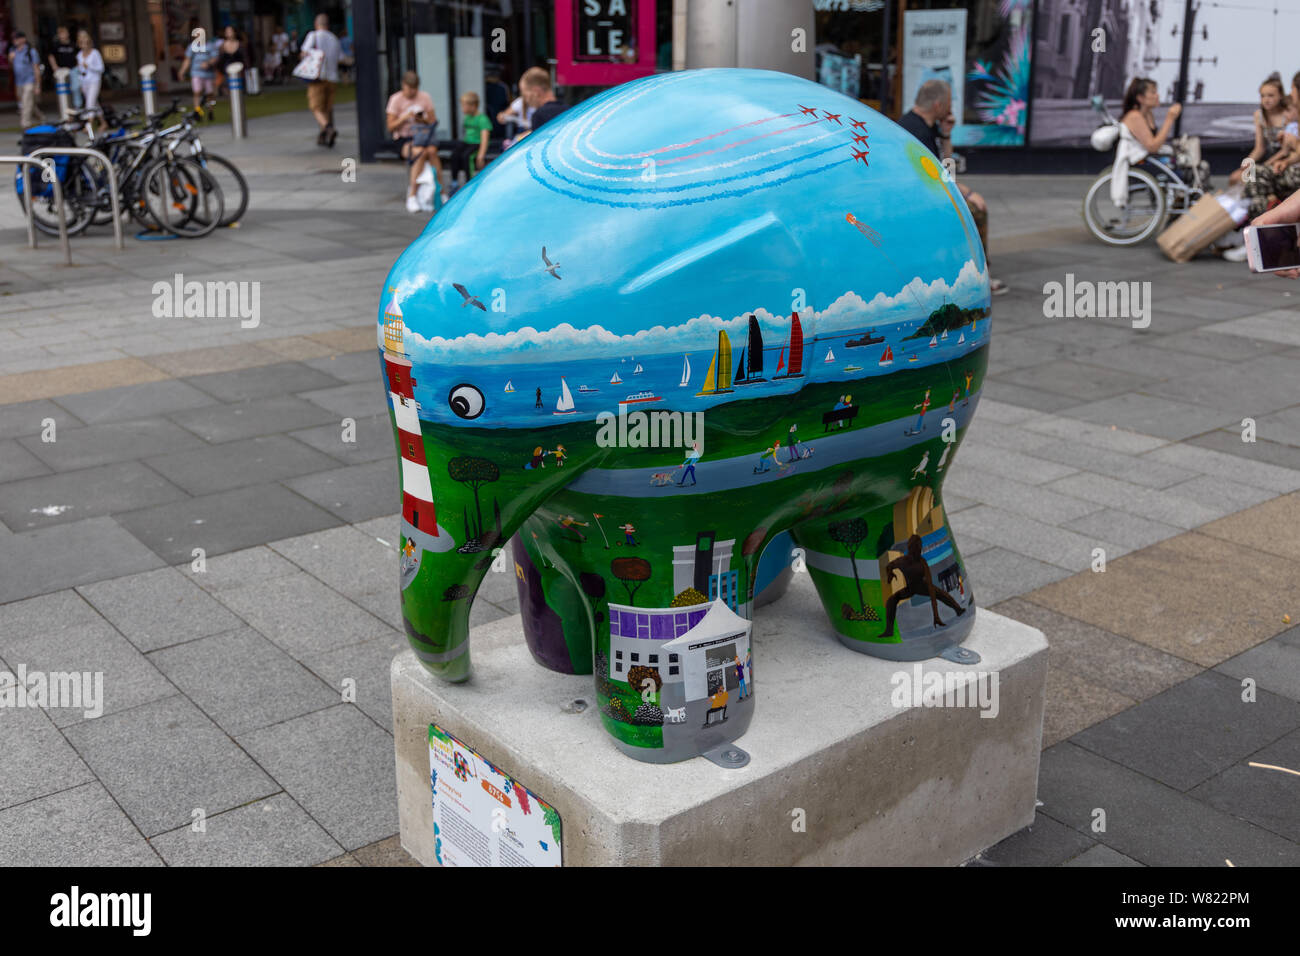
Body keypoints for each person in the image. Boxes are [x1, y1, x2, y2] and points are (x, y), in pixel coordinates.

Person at [898, 79, 1007, 295]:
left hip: (927, 192)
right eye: (949, 102)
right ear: (938, 105)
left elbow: (945, 168)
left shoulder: (926, 126)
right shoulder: (917, 132)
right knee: (975, 211)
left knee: (971, 207)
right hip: (919, 199)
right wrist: (969, 194)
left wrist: (946, 134)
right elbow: (938, 178)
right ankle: (980, 276)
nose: (951, 107)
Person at [880, 534, 966, 638]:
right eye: (914, 548)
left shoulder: (922, 562)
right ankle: (889, 630)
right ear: (910, 548)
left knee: (942, 594)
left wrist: (936, 615)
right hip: (910, 588)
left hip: (922, 586)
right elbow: (889, 566)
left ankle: (958, 610)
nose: (916, 551)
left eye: (918, 548)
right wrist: (890, 574)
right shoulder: (902, 561)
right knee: (891, 600)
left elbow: (930, 587)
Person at [386, 71, 442, 213]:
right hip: (404, 137)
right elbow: (390, 126)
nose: (411, 92)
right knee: (419, 153)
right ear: (403, 85)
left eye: (414, 89)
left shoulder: (425, 97)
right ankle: (412, 194)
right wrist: (404, 118)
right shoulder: (395, 99)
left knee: (432, 151)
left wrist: (422, 119)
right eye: (409, 88)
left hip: (423, 136)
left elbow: (433, 121)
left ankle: (440, 190)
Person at [300, 15, 342, 146]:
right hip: (333, 78)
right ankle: (324, 135)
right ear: (328, 25)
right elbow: (340, 58)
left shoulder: (313, 35)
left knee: (316, 107)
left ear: (315, 23)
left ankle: (328, 128)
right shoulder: (334, 39)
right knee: (327, 108)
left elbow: (304, 52)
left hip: (318, 77)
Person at [448, 90, 492, 194]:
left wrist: (481, 155)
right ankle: (454, 182)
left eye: (464, 106)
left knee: (466, 157)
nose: (462, 108)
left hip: (477, 143)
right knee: (454, 155)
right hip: (467, 142)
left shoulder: (482, 119)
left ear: (473, 106)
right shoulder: (467, 117)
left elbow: (485, 139)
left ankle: (469, 183)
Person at [515, 67, 564, 138]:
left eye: (524, 94)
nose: (525, 99)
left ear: (536, 91)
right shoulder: (569, 109)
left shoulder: (539, 116)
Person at [179, 29, 219, 116]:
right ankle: (197, 111)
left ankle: (210, 111)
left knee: (209, 93)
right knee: (197, 92)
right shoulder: (192, 46)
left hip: (208, 74)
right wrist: (182, 71)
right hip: (196, 72)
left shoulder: (210, 46)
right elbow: (187, 60)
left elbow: (215, 58)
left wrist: (208, 63)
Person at [9, 31, 42, 128]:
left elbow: (36, 69)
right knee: (27, 103)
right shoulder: (13, 51)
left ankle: (25, 124)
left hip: (29, 80)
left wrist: (38, 85)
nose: (15, 40)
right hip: (19, 82)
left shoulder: (31, 51)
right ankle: (41, 117)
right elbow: (12, 67)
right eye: (14, 39)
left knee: (26, 102)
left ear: (23, 39)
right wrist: (10, 59)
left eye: (17, 38)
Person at [47, 26, 80, 109]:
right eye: (60, 34)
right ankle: (64, 107)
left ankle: (77, 105)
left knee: (75, 87)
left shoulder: (73, 45)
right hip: (61, 70)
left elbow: (78, 56)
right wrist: (54, 67)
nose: (62, 35)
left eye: (64, 33)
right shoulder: (56, 45)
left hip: (72, 69)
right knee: (63, 91)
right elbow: (51, 55)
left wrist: (78, 66)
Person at [75, 30, 104, 113]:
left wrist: (89, 66)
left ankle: (88, 125)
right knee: (94, 103)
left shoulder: (95, 53)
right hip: (84, 82)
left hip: (94, 81)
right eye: (81, 42)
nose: (83, 44)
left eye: (85, 41)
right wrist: (80, 82)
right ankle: (103, 123)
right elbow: (80, 71)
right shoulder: (79, 55)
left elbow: (101, 68)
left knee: (89, 104)